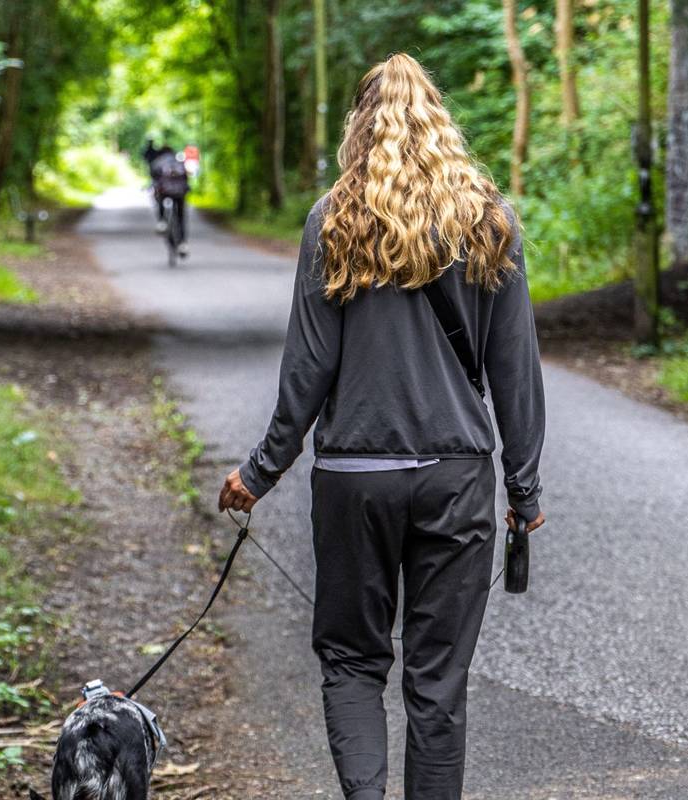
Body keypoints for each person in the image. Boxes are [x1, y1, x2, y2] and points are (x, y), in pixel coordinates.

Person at [217, 53, 546, 800]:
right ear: (441, 123)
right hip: (458, 481)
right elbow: (514, 371)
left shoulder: (334, 221)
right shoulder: (490, 222)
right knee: (437, 684)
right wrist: (523, 490)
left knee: (354, 663)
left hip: (354, 482)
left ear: (358, 127)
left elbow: (308, 371)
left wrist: (260, 473)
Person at [143, 139, 189, 257]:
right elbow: (186, 177)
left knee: (159, 198)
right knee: (180, 216)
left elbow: (154, 177)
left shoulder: (158, 161)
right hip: (179, 192)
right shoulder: (179, 161)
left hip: (165, 191)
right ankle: (183, 244)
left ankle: (162, 221)